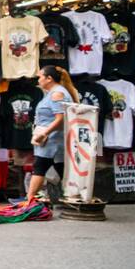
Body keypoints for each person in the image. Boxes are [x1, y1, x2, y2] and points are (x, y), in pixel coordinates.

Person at [26, 64, 78, 203]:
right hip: (52, 141)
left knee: (39, 167)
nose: (38, 80)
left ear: (49, 78)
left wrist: (45, 133)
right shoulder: (54, 93)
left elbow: (60, 119)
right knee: (60, 168)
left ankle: (28, 200)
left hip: (52, 140)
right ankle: (74, 196)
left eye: (40, 77)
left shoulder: (57, 94)